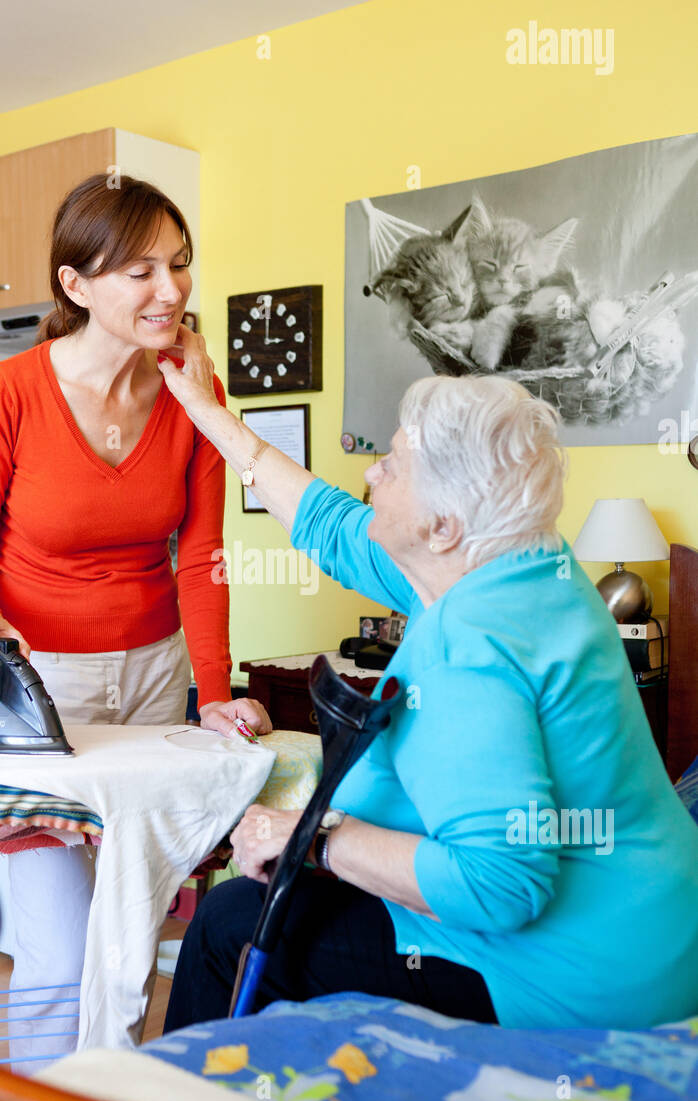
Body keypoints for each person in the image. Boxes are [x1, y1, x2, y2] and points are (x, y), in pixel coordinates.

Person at [155, 339, 698, 1031]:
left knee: (231, 922)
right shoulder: (524, 564)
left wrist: (315, 838)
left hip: (576, 976)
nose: (374, 470)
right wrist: (205, 409)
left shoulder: (467, 646)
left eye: (396, 462)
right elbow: (330, 525)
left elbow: (499, 884)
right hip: (662, 932)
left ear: (441, 526)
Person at [0, 174, 271, 1061]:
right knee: (58, 938)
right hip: (45, 689)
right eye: (141, 272)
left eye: (180, 266)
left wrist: (212, 693)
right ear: (76, 286)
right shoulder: (7, 394)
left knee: (131, 930)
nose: (172, 291)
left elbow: (201, 558)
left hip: (155, 677)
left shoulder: (197, 392)